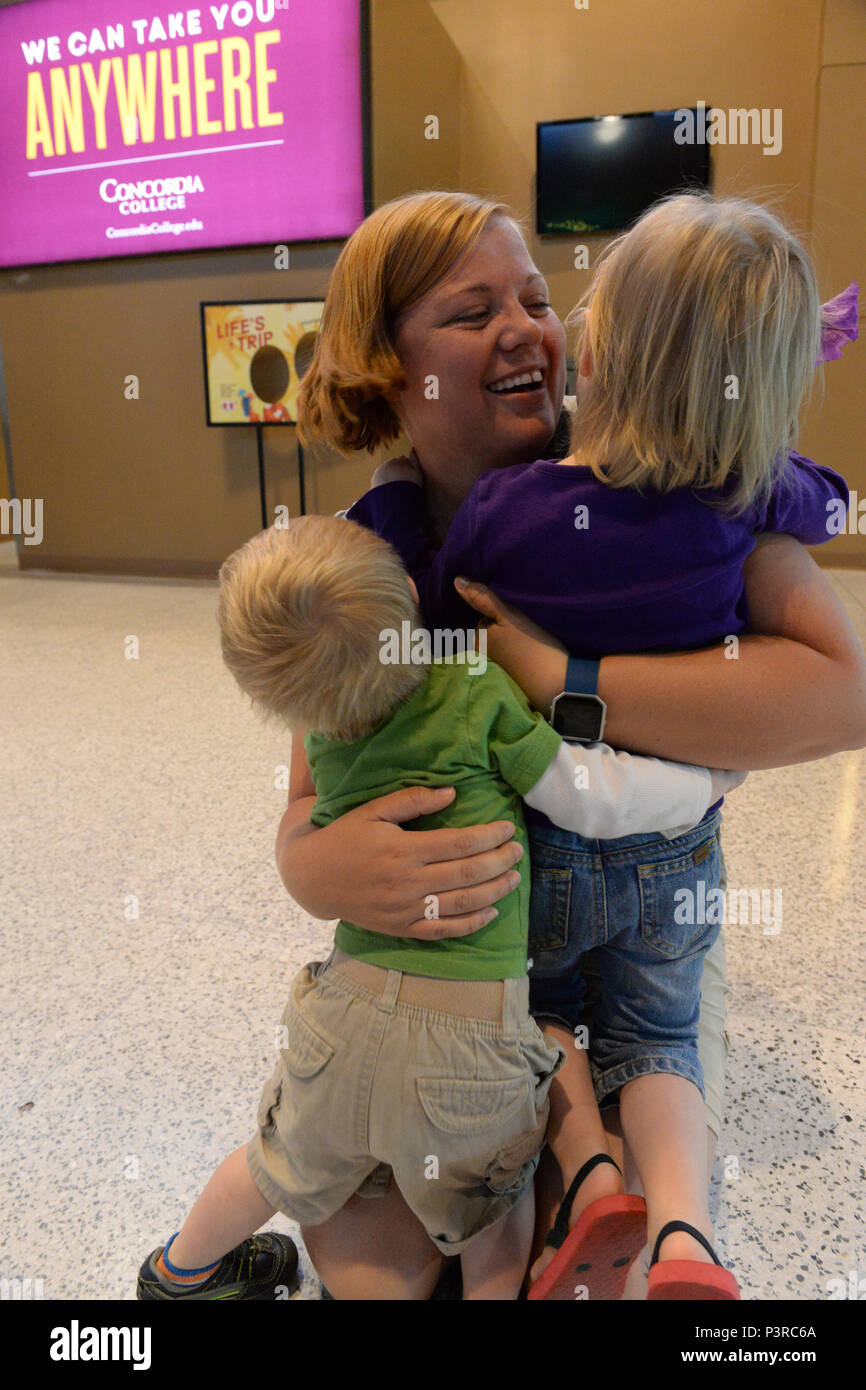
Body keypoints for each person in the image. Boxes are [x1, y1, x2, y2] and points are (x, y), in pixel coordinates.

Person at [346, 190, 850, 1299]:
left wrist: (563, 678)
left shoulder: (495, 519)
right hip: (653, 872)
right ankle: (677, 1232)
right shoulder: (723, 482)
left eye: (538, 298)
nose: (524, 325)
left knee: (533, 1033)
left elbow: (843, 691)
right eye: (472, 310)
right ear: (387, 365)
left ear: (598, 341)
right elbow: (808, 491)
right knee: (643, 1057)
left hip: (531, 892)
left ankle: (582, 1188)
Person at [137, 513, 748, 1300]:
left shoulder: (323, 738)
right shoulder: (474, 689)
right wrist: (707, 782)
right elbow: (586, 795)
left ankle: (181, 1269)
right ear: (411, 612)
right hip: (472, 1039)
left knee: (273, 1166)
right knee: (489, 1206)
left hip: (340, 1020)